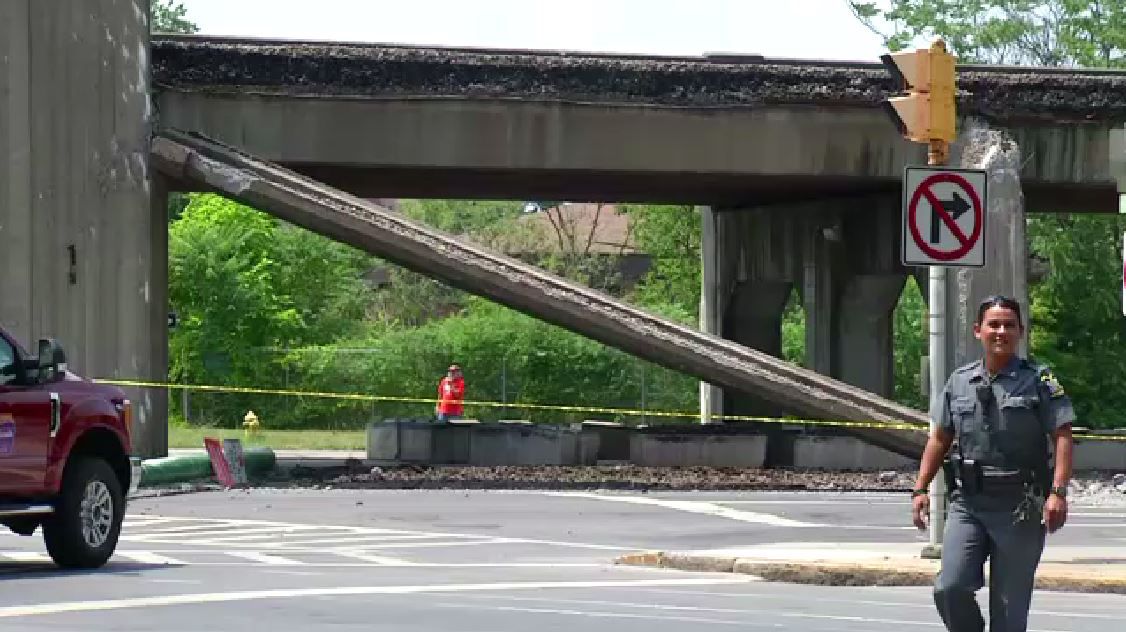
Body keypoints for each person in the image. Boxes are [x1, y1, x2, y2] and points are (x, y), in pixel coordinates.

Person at [911, 294, 1075, 632]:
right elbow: (939, 438)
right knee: (949, 587)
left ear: (1020, 332)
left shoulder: (1039, 381)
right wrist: (920, 487)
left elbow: (1062, 435)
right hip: (968, 503)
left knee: (1008, 613)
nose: (1001, 331)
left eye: (1009, 325)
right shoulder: (959, 382)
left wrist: (1058, 492)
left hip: (1020, 507)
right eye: (993, 324)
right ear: (978, 331)